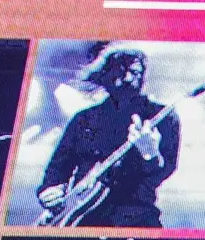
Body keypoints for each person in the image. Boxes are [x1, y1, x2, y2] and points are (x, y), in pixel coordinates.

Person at [37, 46, 179, 228]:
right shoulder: (84, 119)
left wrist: (150, 155)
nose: (128, 79)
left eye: (135, 72)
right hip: (81, 217)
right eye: (120, 72)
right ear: (105, 76)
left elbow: (164, 171)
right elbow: (57, 169)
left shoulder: (163, 117)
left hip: (135, 217)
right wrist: (50, 191)